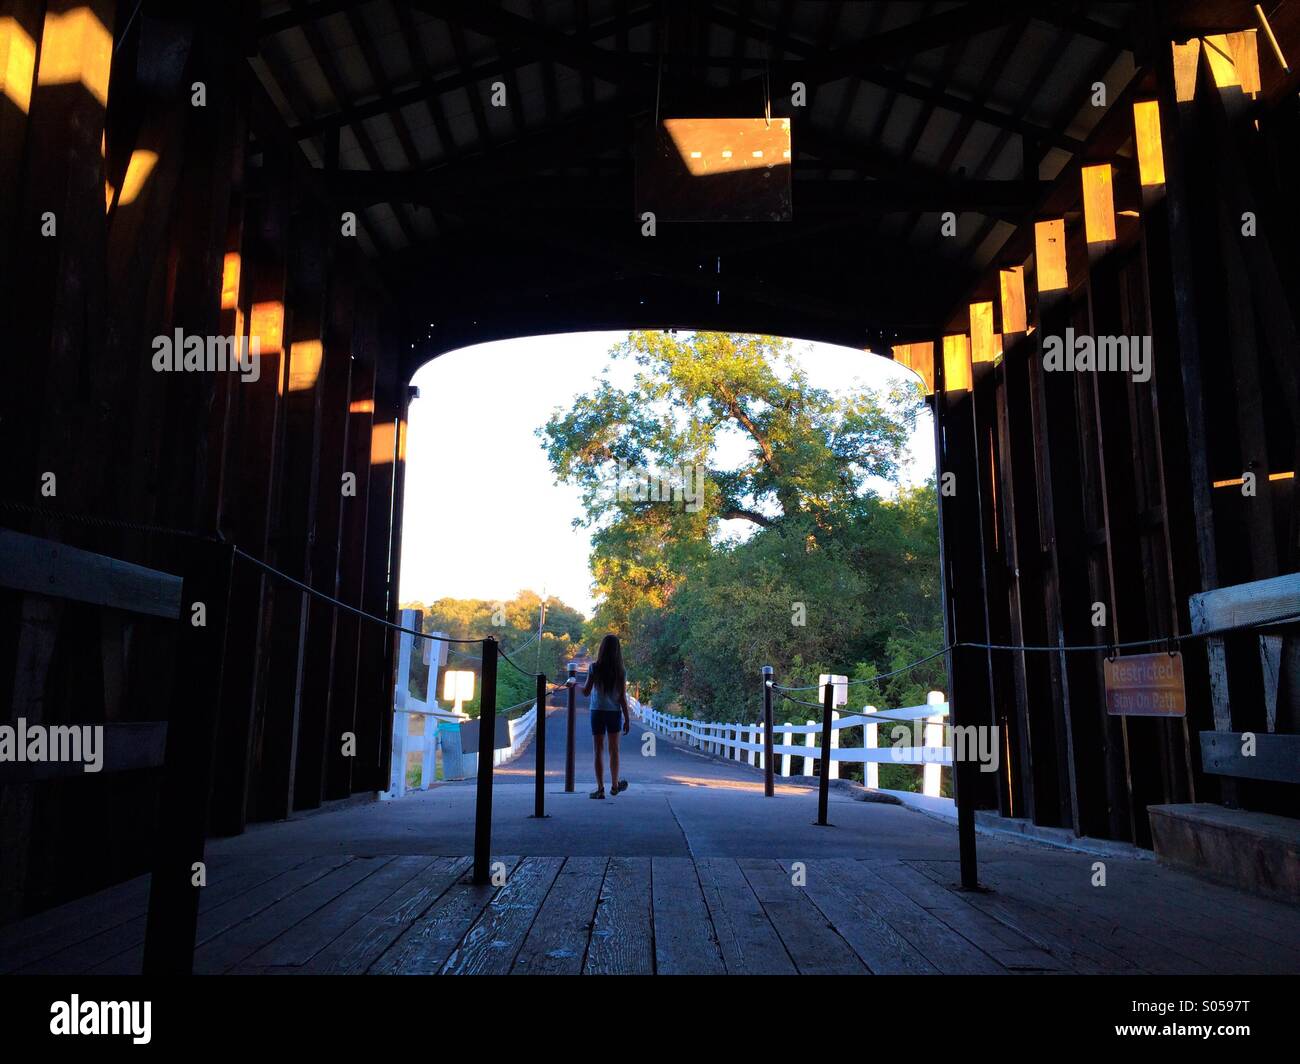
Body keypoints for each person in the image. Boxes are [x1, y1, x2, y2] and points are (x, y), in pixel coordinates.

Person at [582, 634, 631, 799]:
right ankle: (615, 786)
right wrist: (627, 718)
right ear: (618, 650)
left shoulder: (594, 668)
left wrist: (574, 685)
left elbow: (586, 692)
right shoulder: (621, 671)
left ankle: (600, 788)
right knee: (614, 750)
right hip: (614, 713)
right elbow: (622, 697)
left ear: (601, 648)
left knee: (598, 750)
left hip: (597, 711)